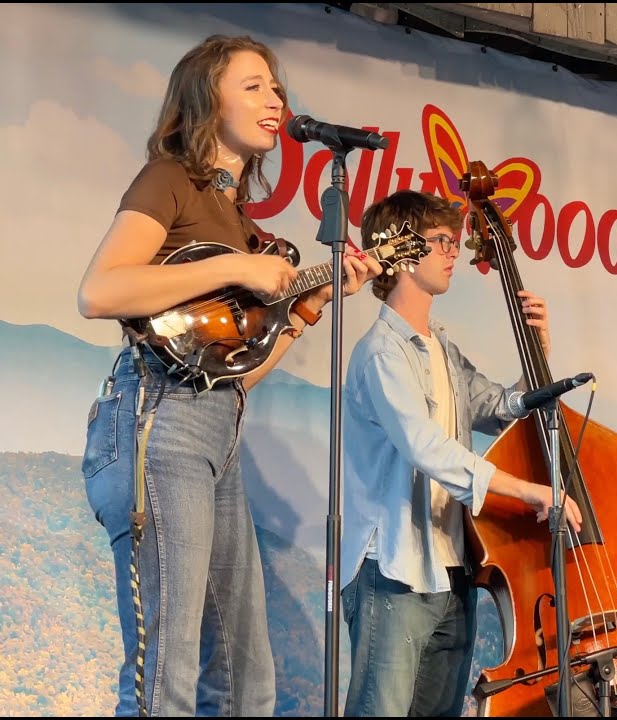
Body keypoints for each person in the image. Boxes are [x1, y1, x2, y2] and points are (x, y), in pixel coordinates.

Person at [76, 35, 382, 716]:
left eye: (277, 87)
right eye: (253, 86)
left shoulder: (242, 224)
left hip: (218, 433)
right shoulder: (169, 180)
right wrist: (237, 269)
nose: (275, 99)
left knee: (247, 686)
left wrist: (307, 309)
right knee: (169, 678)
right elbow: (99, 292)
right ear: (204, 103)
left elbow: (234, 381)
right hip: (155, 422)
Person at [339, 189, 584, 717]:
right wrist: (533, 491)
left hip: (454, 567)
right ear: (402, 252)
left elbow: (501, 406)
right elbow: (426, 446)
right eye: (441, 240)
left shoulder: (441, 347)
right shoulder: (383, 352)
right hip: (395, 568)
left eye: (454, 240)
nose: (454, 250)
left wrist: (537, 347)